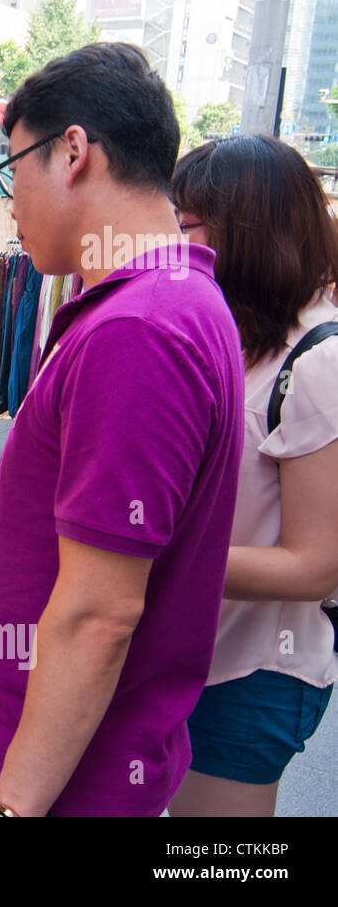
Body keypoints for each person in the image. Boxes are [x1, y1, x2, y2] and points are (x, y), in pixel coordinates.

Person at [0, 42, 245, 816]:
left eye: (13, 170)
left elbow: (100, 615)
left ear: (72, 150)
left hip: (48, 782)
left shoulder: (139, 329)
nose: (10, 203)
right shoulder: (168, 299)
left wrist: (12, 807)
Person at [166, 136, 338, 816]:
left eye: (188, 225)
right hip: (201, 646)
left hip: (256, 669)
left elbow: (314, 566)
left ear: (247, 231)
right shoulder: (239, 332)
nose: (175, 240)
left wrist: (159, 555)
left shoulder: (318, 360)